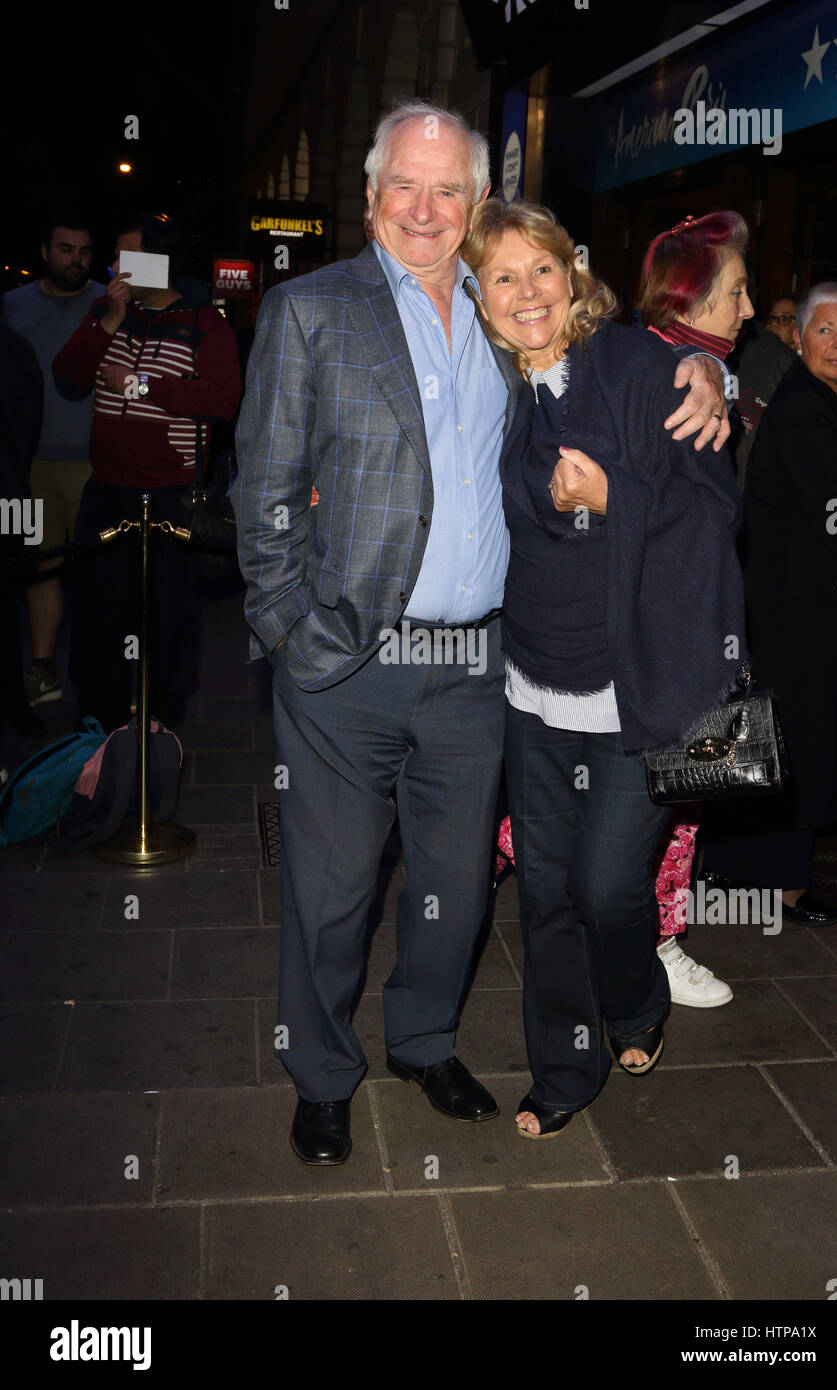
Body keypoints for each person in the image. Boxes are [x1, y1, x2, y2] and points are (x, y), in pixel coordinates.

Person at [233, 100, 730, 1167]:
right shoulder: (311, 311)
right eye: (402, 186)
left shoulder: (504, 315)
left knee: (455, 889)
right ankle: (321, 1074)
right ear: (367, 200)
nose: (424, 208)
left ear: (470, 206)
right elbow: (261, 492)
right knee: (332, 891)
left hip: (478, 669)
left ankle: (420, 1040)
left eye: (446, 188)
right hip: (348, 664)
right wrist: (291, 633)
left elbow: (618, 368)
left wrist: (709, 371)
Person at [463, 197, 746, 1137]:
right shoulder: (492, 384)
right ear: (481, 297)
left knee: (606, 886)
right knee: (544, 894)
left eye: (541, 268)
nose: (527, 292)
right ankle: (565, 1070)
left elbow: (713, 519)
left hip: (636, 689)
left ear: (572, 273)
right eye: (503, 277)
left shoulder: (643, 367)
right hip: (532, 687)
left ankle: (635, 1000)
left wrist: (616, 492)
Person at [700, 283, 837, 925]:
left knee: (792, 745)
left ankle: (750, 874)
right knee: (791, 744)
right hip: (795, 614)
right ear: (799, 335)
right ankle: (781, 889)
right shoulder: (802, 407)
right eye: (826, 330)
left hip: (815, 610)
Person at [53, 211, 241, 733]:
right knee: (98, 618)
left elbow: (223, 401)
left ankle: (158, 734)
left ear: (158, 263)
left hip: (170, 498)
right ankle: (99, 732)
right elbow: (68, 379)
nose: (114, 267)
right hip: (107, 492)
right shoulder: (106, 311)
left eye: (126, 257)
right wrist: (107, 323)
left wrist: (139, 386)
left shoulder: (205, 324)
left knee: (167, 623)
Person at [637, 210, 755, 1005]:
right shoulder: (673, 375)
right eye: (738, 293)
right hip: (663, 639)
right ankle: (652, 945)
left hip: (672, 631)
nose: (749, 310)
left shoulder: (692, 366)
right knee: (673, 798)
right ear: (692, 299)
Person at [2, 215, 103, 706]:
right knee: (38, 567)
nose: (75, 260)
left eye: (83, 251)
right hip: (30, 467)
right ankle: (42, 670)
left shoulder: (107, 303)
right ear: (44, 251)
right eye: (65, 249)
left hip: (94, 464)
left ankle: (93, 673)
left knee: (93, 570)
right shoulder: (13, 306)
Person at [0, 313, 46, 776]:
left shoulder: (14, 349)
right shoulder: (18, 346)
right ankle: (16, 704)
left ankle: (15, 704)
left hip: (10, 488)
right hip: (12, 489)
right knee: (6, 609)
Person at [731, 295, 797, 491]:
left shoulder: (797, 377)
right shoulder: (746, 356)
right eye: (771, 317)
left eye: (784, 319)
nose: (775, 324)